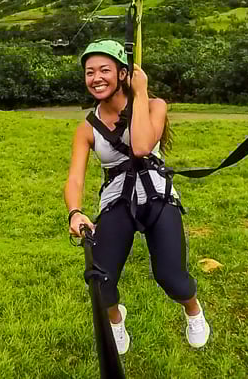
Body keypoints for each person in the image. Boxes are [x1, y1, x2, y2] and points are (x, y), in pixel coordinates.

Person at [64, 39, 209, 355]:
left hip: (158, 196)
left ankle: (193, 310)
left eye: (104, 70)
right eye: (90, 72)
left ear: (122, 73)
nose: (96, 78)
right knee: (99, 282)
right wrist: (75, 212)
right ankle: (116, 321)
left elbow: (142, 146)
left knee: (172, 278)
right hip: (117, 201)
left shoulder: (154, 105)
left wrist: (140, 92)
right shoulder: (86, 128)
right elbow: (75, 176)